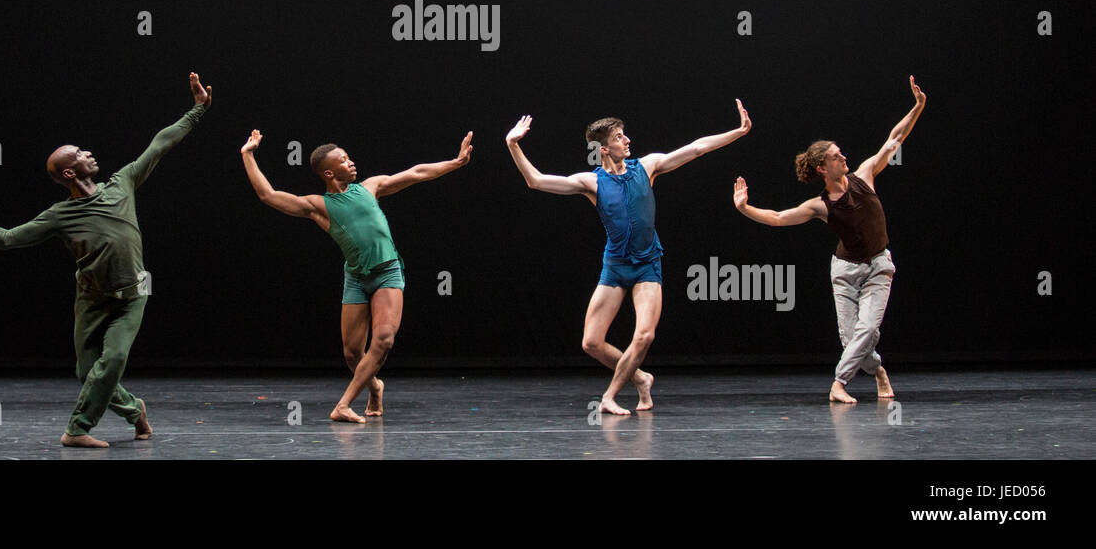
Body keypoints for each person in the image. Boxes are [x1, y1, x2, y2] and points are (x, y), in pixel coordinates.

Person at [0, 72, 212, 447]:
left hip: (131, 296)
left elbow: (158, 145)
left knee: (112, 361)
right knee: (87, 371)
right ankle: (135, 409)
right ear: (70, 172)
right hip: (91, 299)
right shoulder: (60, 215)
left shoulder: (120, 183)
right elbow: (8, 239)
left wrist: (197, 110)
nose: (89, 153)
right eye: (80, 154)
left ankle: (77, 429)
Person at [506, 103, 752, 415]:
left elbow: (696, 148)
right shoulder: (591, 182)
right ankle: (640, 377)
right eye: (620, 137)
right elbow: (536, 181)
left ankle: (610, 395)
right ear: (604, 148)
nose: (628, 141)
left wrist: (738, 132)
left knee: (645, 334)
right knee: (591, 343)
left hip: (647, 264)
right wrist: (512, 144)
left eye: (625, 136)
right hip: (616, 266)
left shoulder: (647, 167)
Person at [241, 128, 472, 422]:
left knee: (384, 339)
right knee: (352, 353)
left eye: (349, 157)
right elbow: (268, 194)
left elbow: (415, 173)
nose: (351, 163)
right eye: (344, 160)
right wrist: (248, 154)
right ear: (328, 172)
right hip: (356, 278)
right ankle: (374, 386)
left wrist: (456, 161)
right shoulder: (318, 206)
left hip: (387, 271)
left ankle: (343, 405)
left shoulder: (370, 187)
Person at [731, 76, 926, 403]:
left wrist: (917, 107)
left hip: (879, 267)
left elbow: (894, 139)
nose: (844, 158)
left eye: (842, 153)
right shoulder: (819, 206)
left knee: (865, 331)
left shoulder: (865, 175)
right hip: (845, 273)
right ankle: (878, 371)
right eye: (837, 156)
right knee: (851, 338)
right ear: (822, 168)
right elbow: (779, 218)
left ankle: (839, 383)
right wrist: (745, 207)